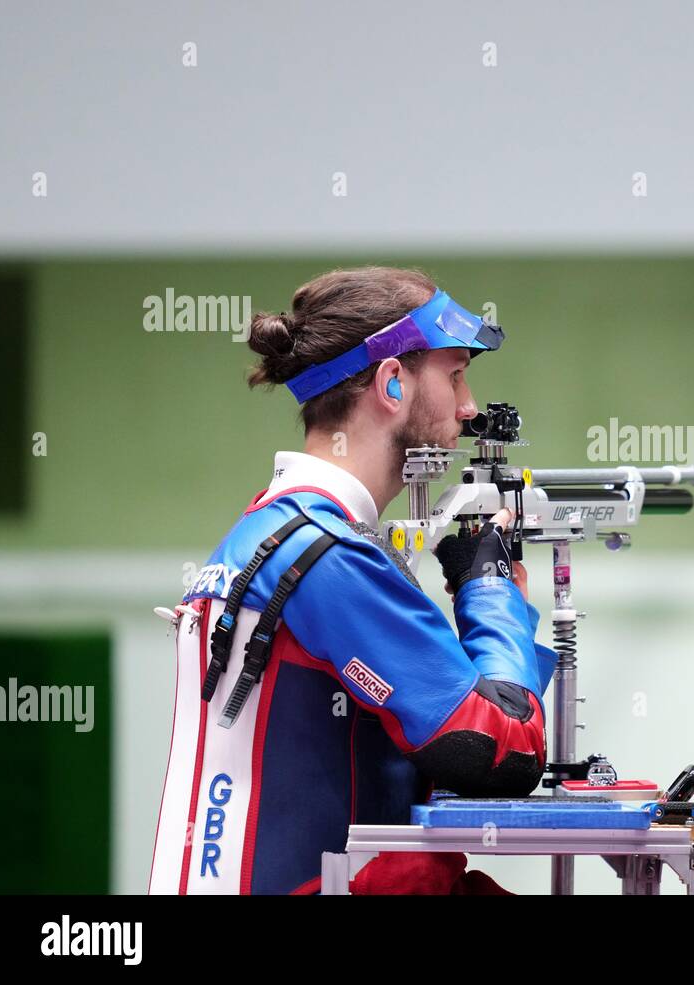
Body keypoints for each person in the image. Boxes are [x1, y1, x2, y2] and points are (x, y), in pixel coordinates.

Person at [149, 267, 557, 894]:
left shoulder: (275, 528)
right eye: (454, 375)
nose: (470, 406)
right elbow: (499, 751)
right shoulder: (331, 555)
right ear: (392, 382)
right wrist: (493, 587)